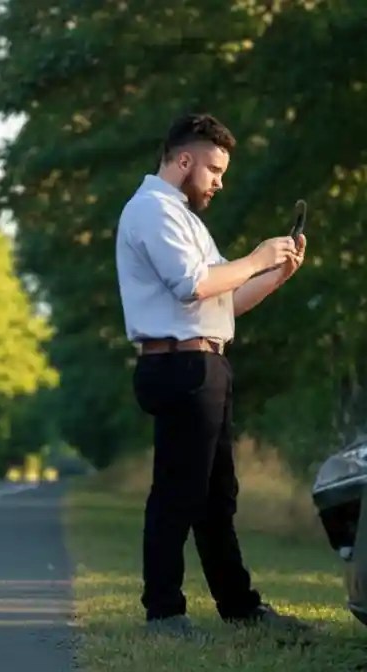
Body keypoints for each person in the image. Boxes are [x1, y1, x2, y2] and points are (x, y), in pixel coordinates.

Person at [114, 112, 309, 637]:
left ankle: (239, 607)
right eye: (215, 169)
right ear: (184, 160)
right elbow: (191, 286)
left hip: (204, 360)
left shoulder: (185, 218)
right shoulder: (152, 211)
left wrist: (275, 274)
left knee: (217, 496)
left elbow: (225, 298)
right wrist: (254, 255)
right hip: (178, 364)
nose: (220, 181)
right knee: (178, 493)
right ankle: (164, 611)